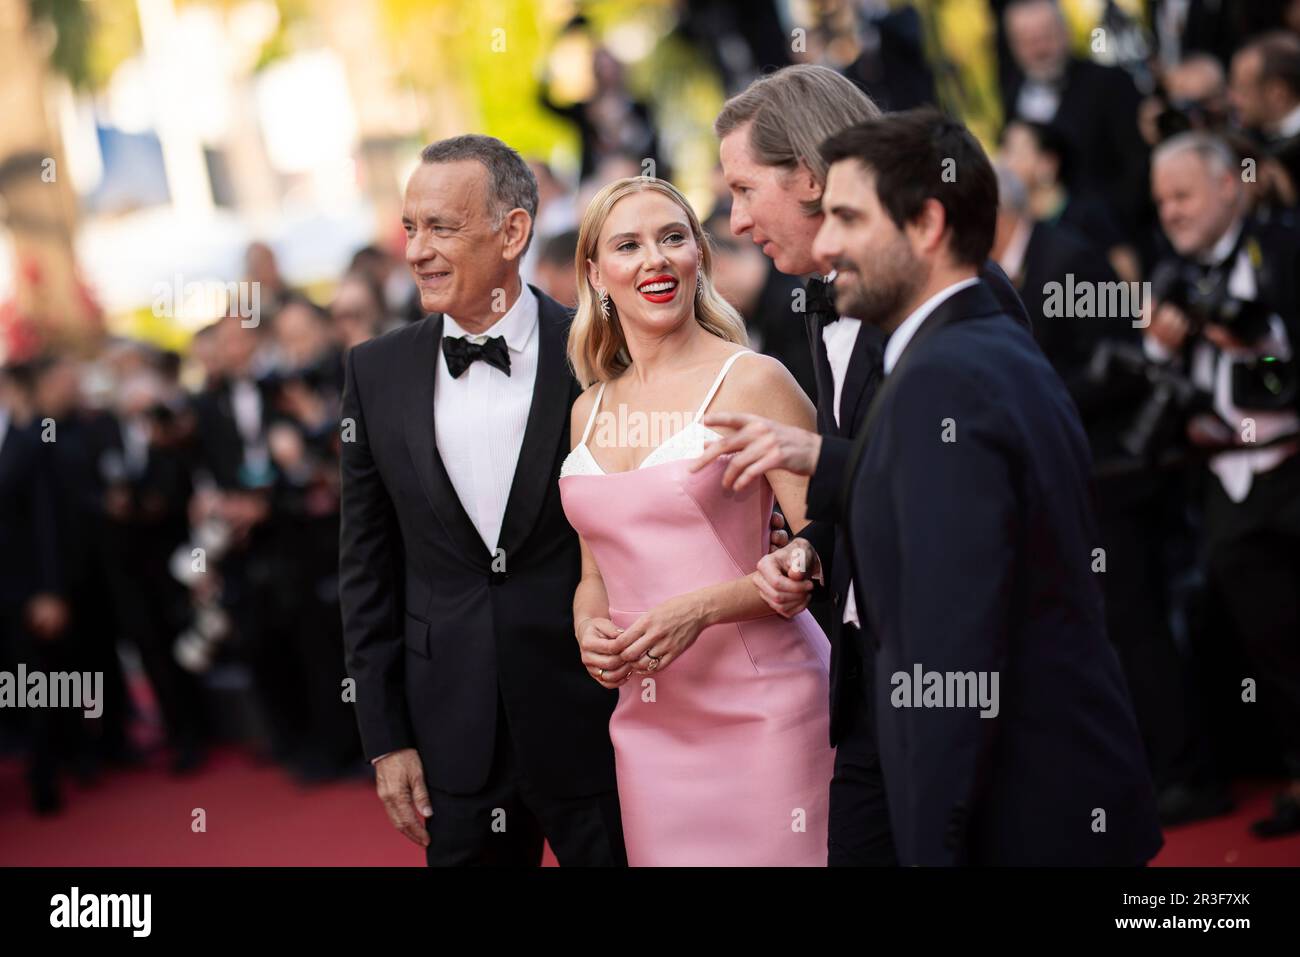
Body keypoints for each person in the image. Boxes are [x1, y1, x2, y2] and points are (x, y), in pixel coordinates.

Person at [703, 109, 1164, 865]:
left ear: (926, 225)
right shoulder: (970, 350)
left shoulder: (945, 375)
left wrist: (933, 838)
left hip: (1012, 805)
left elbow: (951, 644)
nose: (826, 243)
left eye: (848, 218)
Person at [711, 62, 1029, 866]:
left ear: (810, 177)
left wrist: (814, 456)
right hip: (864, 676)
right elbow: (862, 476)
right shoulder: (819, 300)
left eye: (745, 190)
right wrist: (812, 545)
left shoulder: (951, 294)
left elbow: (965, 480)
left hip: (958, 675)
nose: (737, 221)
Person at [338, 134, 626, 866]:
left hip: (596, 711)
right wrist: (385, 737)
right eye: (410, 227)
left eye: (441, 227)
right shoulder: (374, 372)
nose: (416, 250)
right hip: (450, 735)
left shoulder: (600, 352)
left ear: (514, 231)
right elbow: (365, 567)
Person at [558, 175, 834, 865]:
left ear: (698, 256)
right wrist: (588, 626)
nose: (655, 258)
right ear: (596, 273)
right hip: (648, 724)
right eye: (629, 245)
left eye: (672, 238)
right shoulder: (585, 411)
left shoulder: (753, 378)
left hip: (766, 709)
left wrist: (700, 609)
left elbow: (824, 546)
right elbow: (595, 570)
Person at [1145, 131, 1300, 837]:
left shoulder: (1284, 249)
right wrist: (1165, 347)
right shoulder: (1172, 275)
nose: (1170, 212)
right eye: (1161, 201)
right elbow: (1161, 387)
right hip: (1225, 480)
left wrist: (1253, 342)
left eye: (1181, 195)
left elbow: (1280, 364)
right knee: (1269, 639)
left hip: (1291, 460)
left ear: (1228, 186)